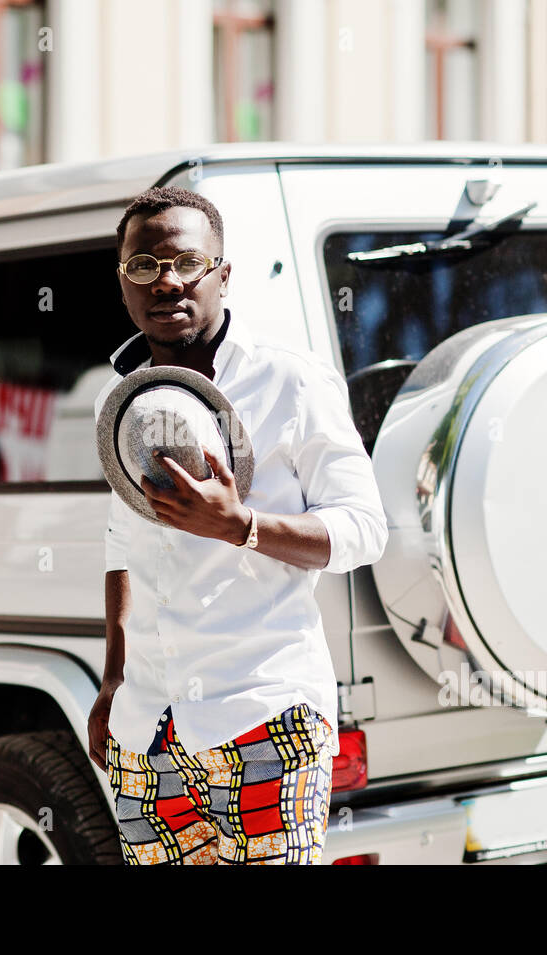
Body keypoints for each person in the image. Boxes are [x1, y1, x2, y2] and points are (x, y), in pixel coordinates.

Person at [88, 185, 388, 865]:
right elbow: (120, 541)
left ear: (223, 273)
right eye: (144, 266)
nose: (167, 281)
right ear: (123, 282)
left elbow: (365, 528)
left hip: (262, 714)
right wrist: (111, 682)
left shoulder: (293, 383)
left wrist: (240, 525)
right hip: (148, 729)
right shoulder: (120, 397)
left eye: (186, 263)